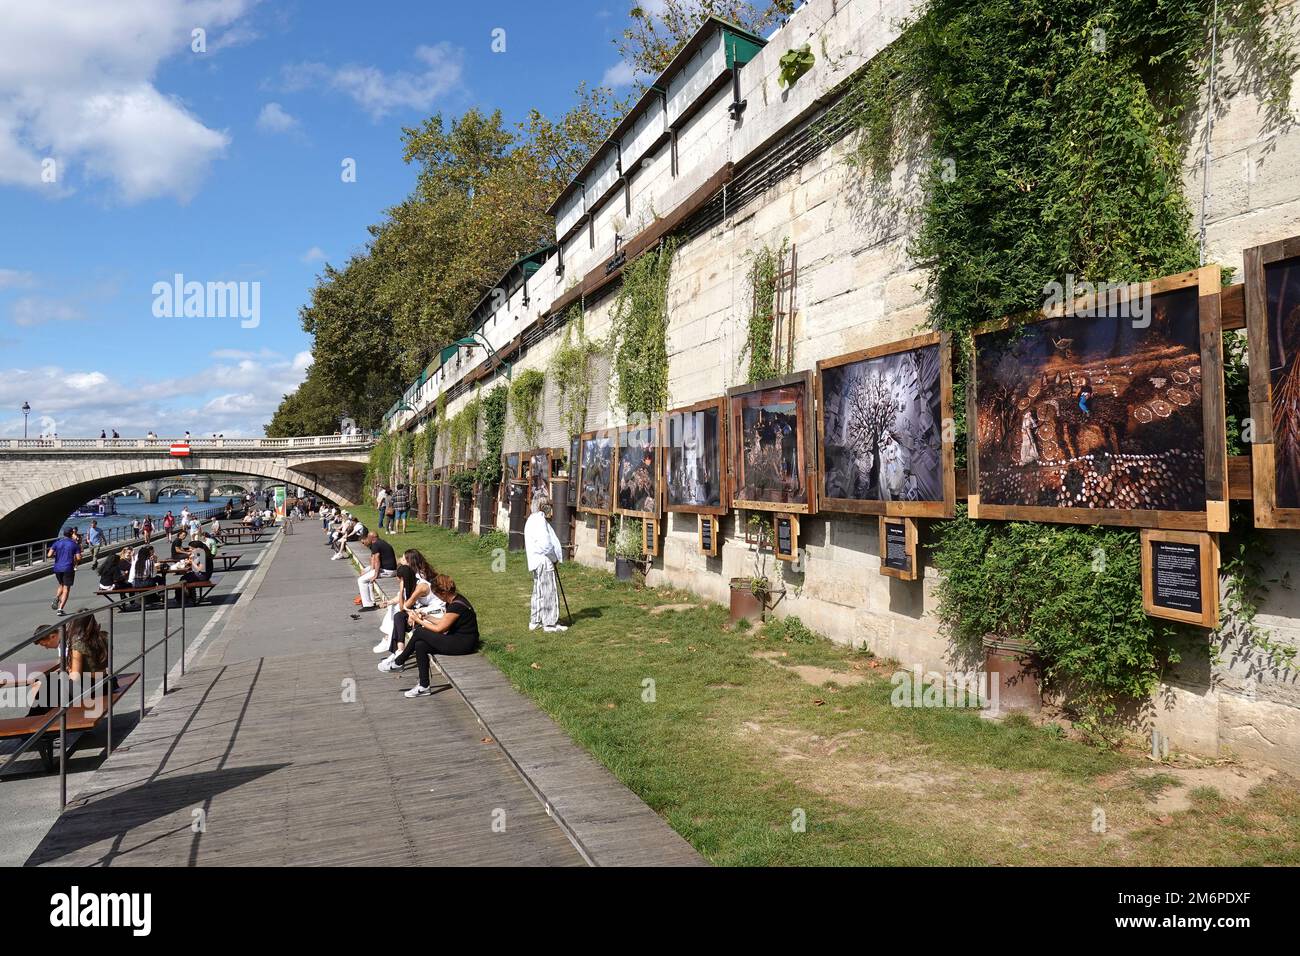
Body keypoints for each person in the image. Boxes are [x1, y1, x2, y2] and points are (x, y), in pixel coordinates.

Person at [380, 574, 479, 697]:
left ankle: (399, 662)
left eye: (437, 595)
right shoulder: (454, 600)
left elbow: (439, 628)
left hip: (464, 643)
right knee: (421, 645)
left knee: (420, 632)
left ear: (443, 593)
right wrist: (426, 617)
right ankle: (424, 686)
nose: (437, 598)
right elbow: (444, 622)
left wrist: (418, 620)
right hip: (456, 639)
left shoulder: (456, 605)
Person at [375, 549, 443, 657]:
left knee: (398, 611)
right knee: (396, 611)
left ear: (409, 562)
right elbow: (407, 596)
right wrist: (390, 601)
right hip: (424, 606)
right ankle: (396, 648)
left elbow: (405, 604)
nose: (400, 560)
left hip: (434, 609)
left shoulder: (419, 580)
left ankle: (390, 640)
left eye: (403, 558)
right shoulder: (413, 575)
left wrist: (401, 591)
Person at [524, 494, 567, 633]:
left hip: (536, 560)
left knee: (538, 591)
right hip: (544, 560)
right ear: (543, 506)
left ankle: (535, 621)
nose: (550, 508)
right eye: (548, 505)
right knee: (549, 591)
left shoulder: (532, 519)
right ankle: (549, 624)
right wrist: (554, 558)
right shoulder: (540, 520)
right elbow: (546, 545)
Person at [356, 531, 397, 610]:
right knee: (367, 578)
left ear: (372, 538)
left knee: (361, 580)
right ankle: (371, 601)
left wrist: (375, 574)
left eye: (368, 537)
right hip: (389, 569)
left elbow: (377, 560)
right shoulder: (381, 542)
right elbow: (374, 559)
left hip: (388, 571)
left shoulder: (375, 544)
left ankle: (368, 605)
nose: (367, 538)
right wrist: (372, 570)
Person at [47, 528, 82, 616]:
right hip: (68, 568)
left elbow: (49, 555)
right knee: (66, 588)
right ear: (71, 534)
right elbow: (78, 558)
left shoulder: (57, 543)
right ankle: (60, 609)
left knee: (61, 585)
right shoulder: (74, 544)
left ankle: (57, 597)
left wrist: (58, 554)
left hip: (57, 568)